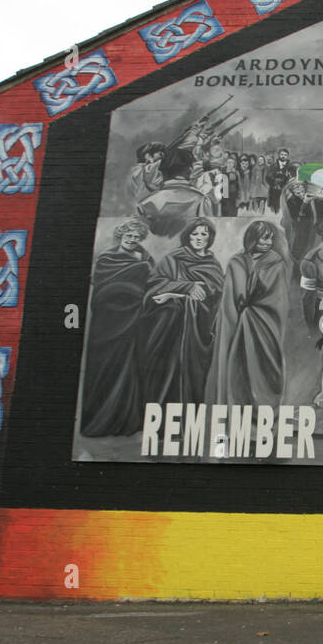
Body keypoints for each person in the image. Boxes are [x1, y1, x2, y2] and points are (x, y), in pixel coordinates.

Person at [79, 218, 156, 437]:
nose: (132, 240)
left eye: (136, 236)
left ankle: (128, 421)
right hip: (109, 325)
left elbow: (152, 284)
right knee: (107, 370)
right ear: (120, 236)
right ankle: (101, 422)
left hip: (134, 322)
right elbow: (105, 290)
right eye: (128, 236)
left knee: (130, 368)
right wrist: (140, 270)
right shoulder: (107, 259)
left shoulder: (146, 258)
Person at [140, 217, 224, 407]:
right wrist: (186, 287)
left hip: (200, 331)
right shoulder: (173, 258)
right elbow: (153, 287)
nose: (199, 238)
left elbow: (219, 293)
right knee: (170, 373)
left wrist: (205, 289)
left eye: (204, 234)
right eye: (195, 234)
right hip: (172, 331)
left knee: (196, 376)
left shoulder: (213, 263)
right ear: (188, 236)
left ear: (210, 237)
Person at [206, 221, 288, 407]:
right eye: (264, 238)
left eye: (271, 238)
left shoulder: (275, 263)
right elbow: (232, 296)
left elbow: (276, 298)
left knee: (264, 369)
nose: (268, 242)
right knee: (236, 368)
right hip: (235, 323)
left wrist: (250, 304)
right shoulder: (236, 262)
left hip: (263, 322)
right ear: (252, 238)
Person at [136, 146, 214, 237]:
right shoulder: (201, 200)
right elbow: (207, 228)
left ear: (162, 172)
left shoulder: (144, 204)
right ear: (190, 170)